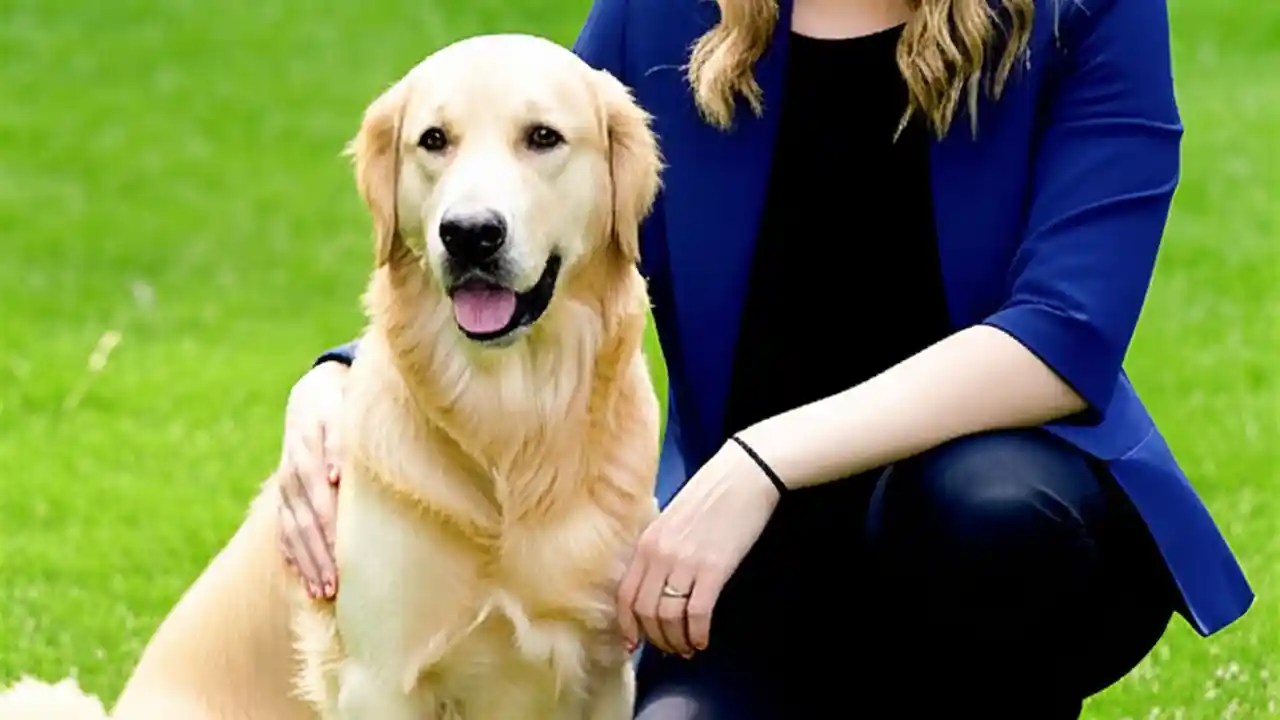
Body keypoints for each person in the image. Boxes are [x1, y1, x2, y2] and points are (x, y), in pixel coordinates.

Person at [272, 0, 1254, 716]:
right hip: (736, 573)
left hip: (1006, 524)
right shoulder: (663, 18)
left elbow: (1062, 331)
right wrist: (340, 373)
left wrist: (761, 458)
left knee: (981, 510)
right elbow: (535, 228)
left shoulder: (1088, 13)